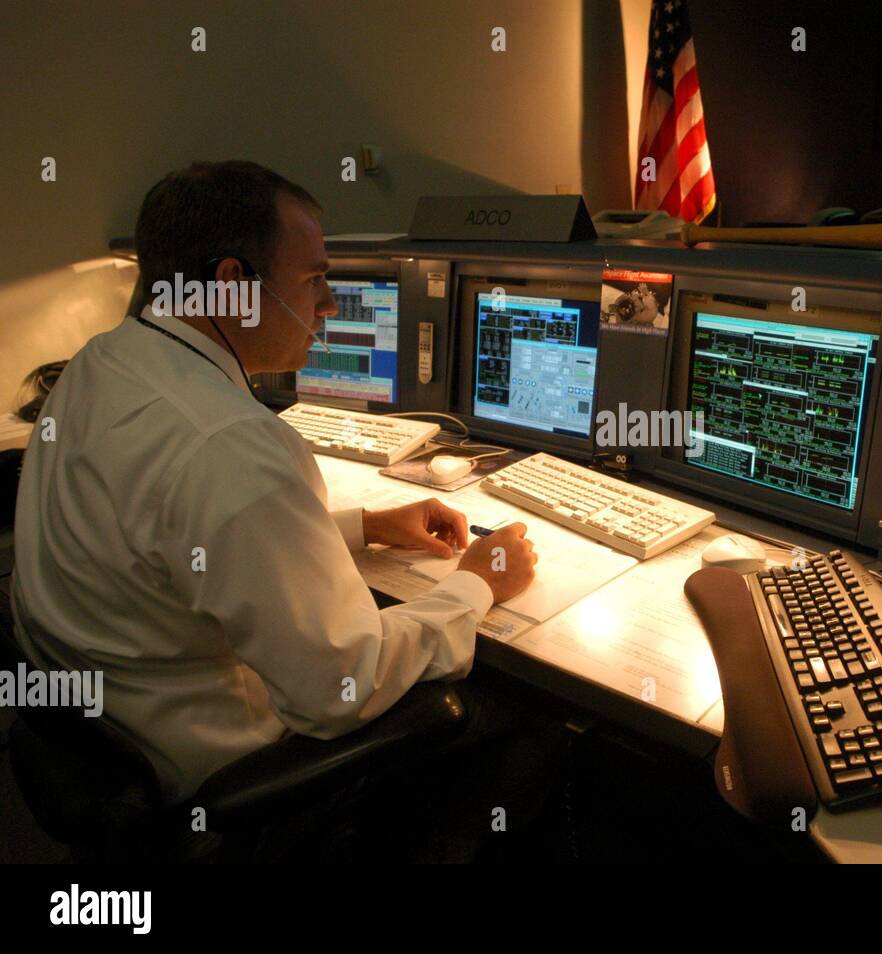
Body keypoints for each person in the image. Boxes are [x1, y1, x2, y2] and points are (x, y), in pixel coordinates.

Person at [10, 161, 542, 827]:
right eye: (315, 279)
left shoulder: (104, 361)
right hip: (214, 772)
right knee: (528, 724)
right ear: (233, 284)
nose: (326, 304)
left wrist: (366, 526)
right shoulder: (229, 442)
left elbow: (173, 536)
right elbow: (343, 687)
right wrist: (476, 584)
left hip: (108, 733)